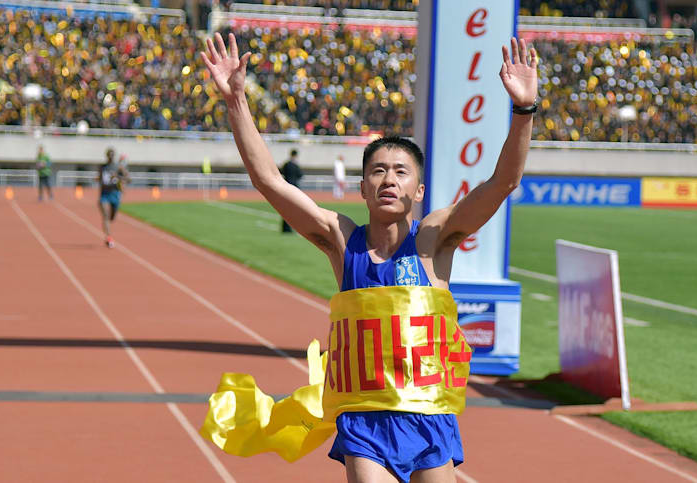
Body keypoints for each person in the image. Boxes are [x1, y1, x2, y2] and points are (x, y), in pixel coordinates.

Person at [201, 33, 537, 482]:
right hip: (364, 419)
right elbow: (269, 182)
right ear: (362, 188)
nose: (388, 180)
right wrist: (236, 100)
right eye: (377, 171)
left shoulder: (434, 239)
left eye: (400, 172)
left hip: (428, 414)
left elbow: (503, 183)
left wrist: (524, 111)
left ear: (418, 190)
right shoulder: (342, 240)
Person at [97, 147, 130, 248]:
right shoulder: (102, 167)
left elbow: (128, 179)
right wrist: (98, 179)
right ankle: (108, 237)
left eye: (112, 155)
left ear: (114, 156)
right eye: (109, 155)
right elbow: (100, 178)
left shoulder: (118, 167)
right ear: (107, 155)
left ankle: (109, 231)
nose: (110, 157)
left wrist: (117, 177)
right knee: (105, 216)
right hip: (104, 194)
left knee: (112, 217)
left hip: (115, 194)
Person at [280, 148, 304, 232]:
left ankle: (285, 227)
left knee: (286, 208)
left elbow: (281, 172)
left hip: (286, 187)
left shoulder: (286, 164)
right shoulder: (295, 165)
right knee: (293, 208)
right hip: (294, 188)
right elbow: (300, 175)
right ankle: (289, 227)